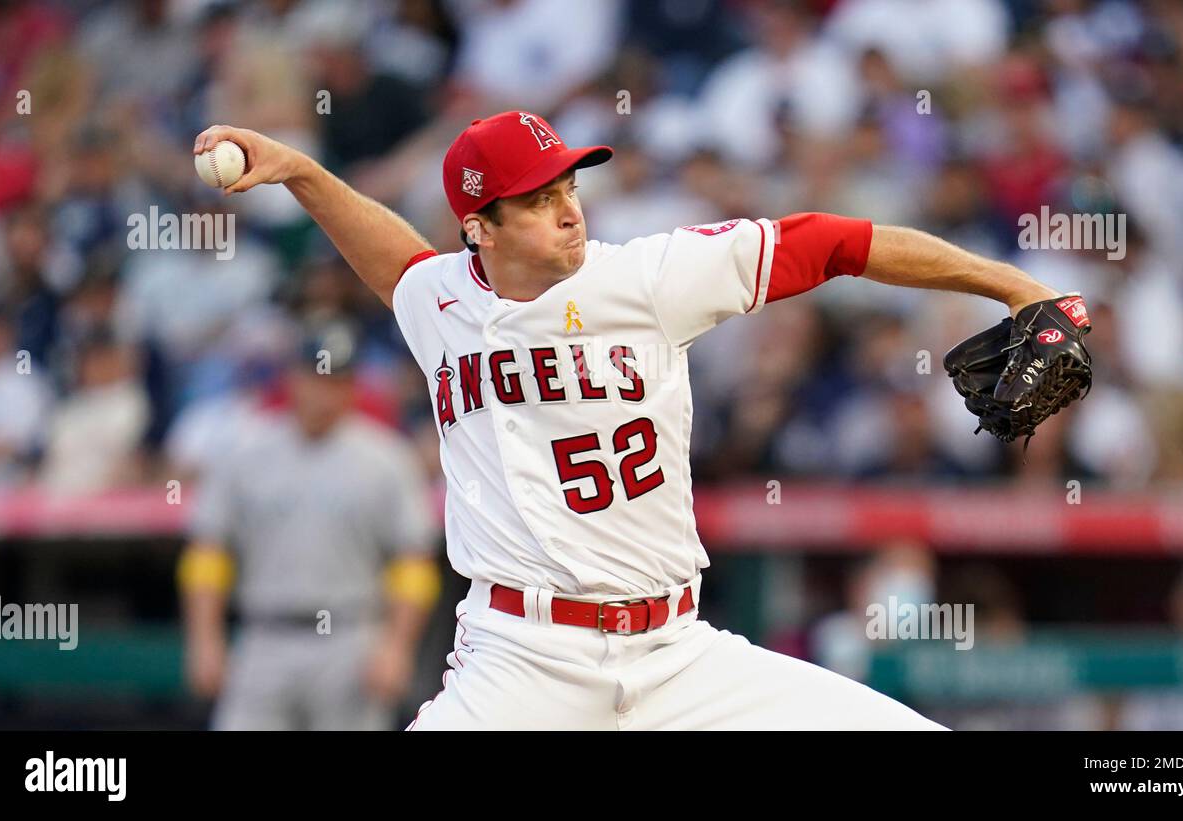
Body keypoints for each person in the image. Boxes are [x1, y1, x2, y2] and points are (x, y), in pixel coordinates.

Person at [191, 110, 1063, 729]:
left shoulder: (650, 276)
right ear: (478, 227)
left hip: (679, 654)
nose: (569, 206)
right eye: (536, 198)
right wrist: (302, 173)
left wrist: (1016, 286)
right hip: (523, 661)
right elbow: (393, 259)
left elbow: (837, 241)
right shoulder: (440, 299)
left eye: (568, 183)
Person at [178, 324, 440, 730]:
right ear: (292, 379)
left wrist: (396, 646)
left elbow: (413, 565)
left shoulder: (387, 459)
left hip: (351, 638)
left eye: (336, 381)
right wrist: (205, 639)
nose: (323, 392)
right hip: (264, 635)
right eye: (314, 378)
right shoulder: (246, 453)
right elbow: (208, 555)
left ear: (352, 386)